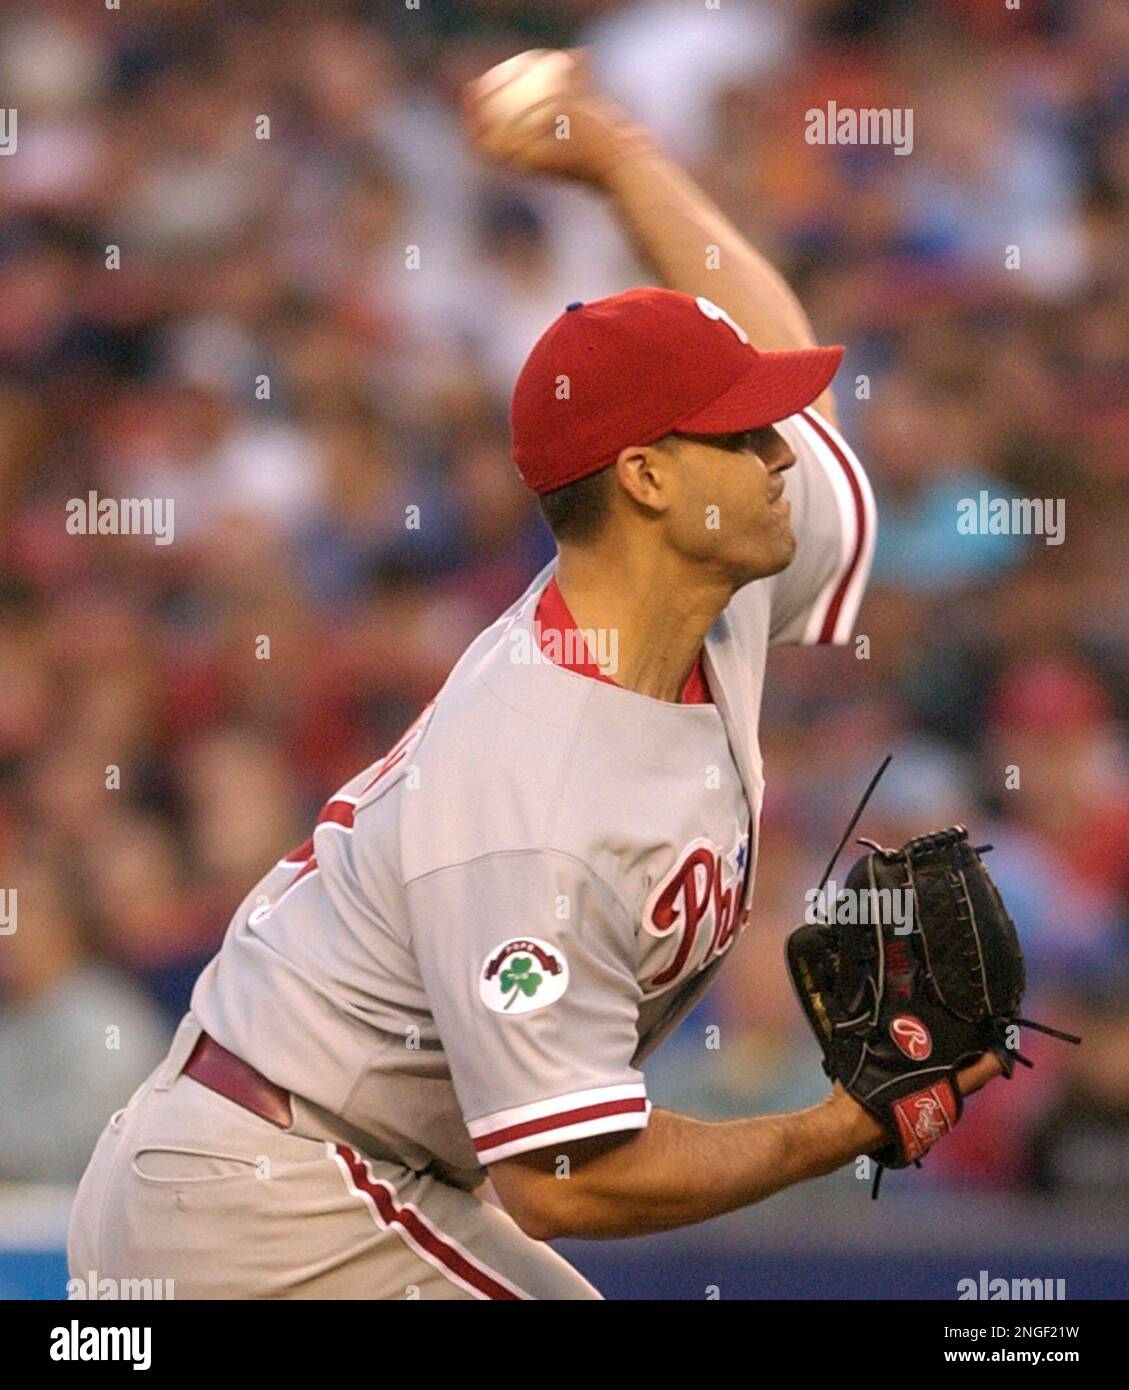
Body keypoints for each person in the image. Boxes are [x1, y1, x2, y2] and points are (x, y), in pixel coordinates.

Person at [67, 54, 999, 1301]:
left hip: (351, 1166)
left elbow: (777, 338)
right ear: (650, 482)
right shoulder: (531, 785)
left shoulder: (717, 571)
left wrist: (619, 159)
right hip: (264, 1198)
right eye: (742, 431)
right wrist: (844, 1124)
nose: (784, 452)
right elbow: (570, 1181)